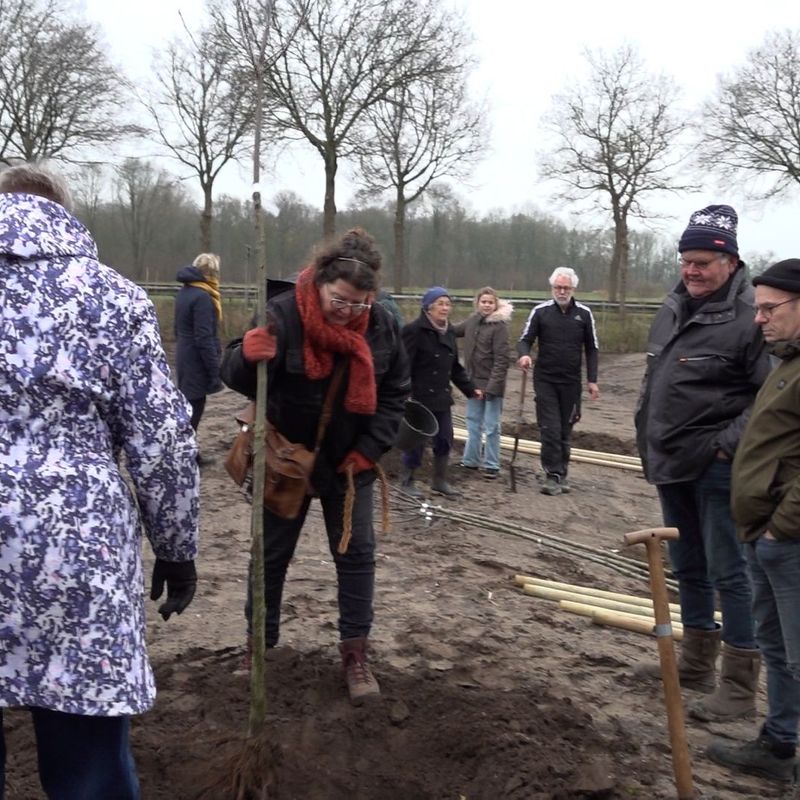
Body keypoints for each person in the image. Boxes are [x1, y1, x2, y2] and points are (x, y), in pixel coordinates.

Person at [0, 163, 200, 798]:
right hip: (75, 557)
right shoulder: (111, 298)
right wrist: (176, 547)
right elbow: (161, 440)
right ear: (65, 213)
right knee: (87, 758)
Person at [220, 228, 409, 705]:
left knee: (357, 556)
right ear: (321, 282)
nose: (349, 313)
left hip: (351, 463)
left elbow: (394, 395)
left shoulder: (382, 326)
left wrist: (369, 450)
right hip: (286, 458)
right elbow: (232, 374)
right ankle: (256, 648)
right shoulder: (282, 315)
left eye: (360, 304)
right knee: (270, 557)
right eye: (340, 301)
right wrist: (246, 356)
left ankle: (355, 655)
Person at [634, 204, 771, 722]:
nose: (691, 271)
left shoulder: (750, 318)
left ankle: (738, 686)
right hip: (670, 459)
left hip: (717, 465)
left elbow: (770, 396)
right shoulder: (672, 307)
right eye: (685, 261)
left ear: (730, 262)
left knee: (729, 571)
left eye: (702, 263)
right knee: (687, 565)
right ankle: (694, 664)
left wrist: (725, 445)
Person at [706, 258, 800, 784]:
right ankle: (779, 744)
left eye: (770, 308)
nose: (759, 318)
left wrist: (783, 526)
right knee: (779, 649)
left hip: (788, 539)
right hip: (766, 536)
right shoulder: (786, 362)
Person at [516, 267, 600, 496]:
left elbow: (592, 349)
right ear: (552, 288)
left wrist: (592, 380)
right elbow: (525, 340)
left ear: (573, 289)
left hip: (571, 382)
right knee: (550, 429)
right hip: (545, 380)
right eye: (558, 287)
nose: (561, 291)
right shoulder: (540, 312)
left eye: (566, 288)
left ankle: (562, 473)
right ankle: (552, 475)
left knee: (565, 430)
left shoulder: (584, 314)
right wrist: (524, 354)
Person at [400, 287, 480, 498]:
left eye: (447, 304)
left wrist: (470, 389)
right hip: (419, 397)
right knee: (415, 442)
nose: (445, 308)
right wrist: (402, 394)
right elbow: (403, 364)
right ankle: (407, 482)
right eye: (440, 304)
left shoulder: (450, 332)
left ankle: (439, 481)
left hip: (442, 397)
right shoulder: (414, 330)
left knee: (445, 438)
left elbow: (454, 367)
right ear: (428, 308)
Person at [453, 287, 512, 479]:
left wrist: (492, 388)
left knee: (492, 426)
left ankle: (492, 464)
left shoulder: (499, 327)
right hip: (473, 383)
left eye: (490, 302)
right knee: (472, 423)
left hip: (492, 385)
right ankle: (470, 461)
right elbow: (453, 330)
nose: (486, 305)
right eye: (483, 301)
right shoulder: (472, 322)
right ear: (477, 303)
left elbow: (502, 360)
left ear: (495, 304)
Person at [174, 252, 224, 466]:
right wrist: (214, 371)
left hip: (184, 355)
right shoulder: (203, 297)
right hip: (196, 358)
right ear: (211, 273)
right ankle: (186, 454)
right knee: (194, 407)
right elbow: (204, 336)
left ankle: (188, 452)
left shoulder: (184, 292)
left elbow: (178, 329)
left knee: (189, 405)